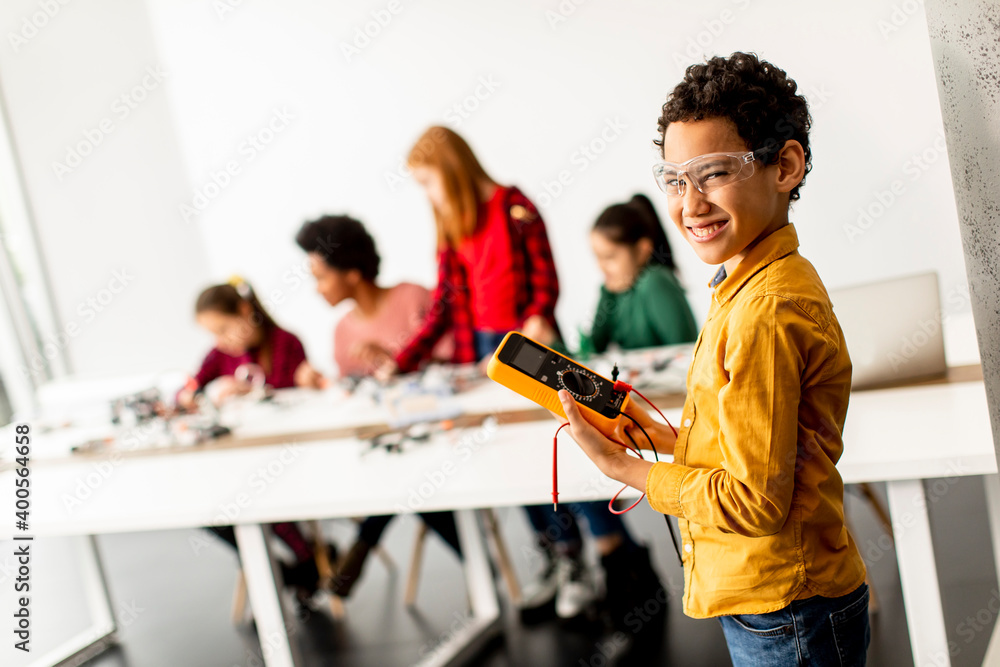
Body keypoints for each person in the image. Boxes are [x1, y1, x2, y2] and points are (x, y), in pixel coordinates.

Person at [556, 52, 870, 666]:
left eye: (714, 173)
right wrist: (656, 436)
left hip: (786, 609)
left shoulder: (764, 312)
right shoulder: (749, 287)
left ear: (784, 166)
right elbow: (748, 450)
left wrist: (624, 468)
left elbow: (754, 501)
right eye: (675, 180)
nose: (690, 204)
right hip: (775, 600)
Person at [375, 126, 600, 620]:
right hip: (483, 350)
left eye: (428, 182)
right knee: (514, 460)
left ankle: (592, 561)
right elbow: (442, 305)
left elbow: (546, 282)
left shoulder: (516, 208)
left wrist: (538, 318)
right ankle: (558, 553)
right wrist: (402, 360)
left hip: (528, 347)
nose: (428, 195)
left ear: (452, 171)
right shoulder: (452, 228)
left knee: (558, 453)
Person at [295, 214, 462, 597]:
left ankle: (362, 545)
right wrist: (319, 382)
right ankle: (478, 564)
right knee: (403, 477)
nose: (316, 289)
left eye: (321, 277)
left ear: (352, 273)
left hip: (443, 436)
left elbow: (454, 364)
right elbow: (354, 394)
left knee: (406, 477)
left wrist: (393, 357)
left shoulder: (413, 297)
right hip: (393, 446)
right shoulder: (342, 331)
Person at [180, 278, 332, 605]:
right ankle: (289, 569)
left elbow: (302, 396)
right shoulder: (219, 355)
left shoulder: (286, 343)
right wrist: (195, 394)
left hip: (286, 457)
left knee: (257, 493)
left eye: (223, 329)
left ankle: (300, 561)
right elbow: (189, 388)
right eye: (213, 334)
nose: (220, 339)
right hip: (240, 459)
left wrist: (306, 383)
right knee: (208, 508)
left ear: (245, 311)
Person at [585, 193, 699, 353]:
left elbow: (686, 351)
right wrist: (607, 295)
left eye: (609, 257)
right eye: (597, 257)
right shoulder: (614, 291)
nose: (601, 267)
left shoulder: (654, 282)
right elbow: (591, 351)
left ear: (642, 250)